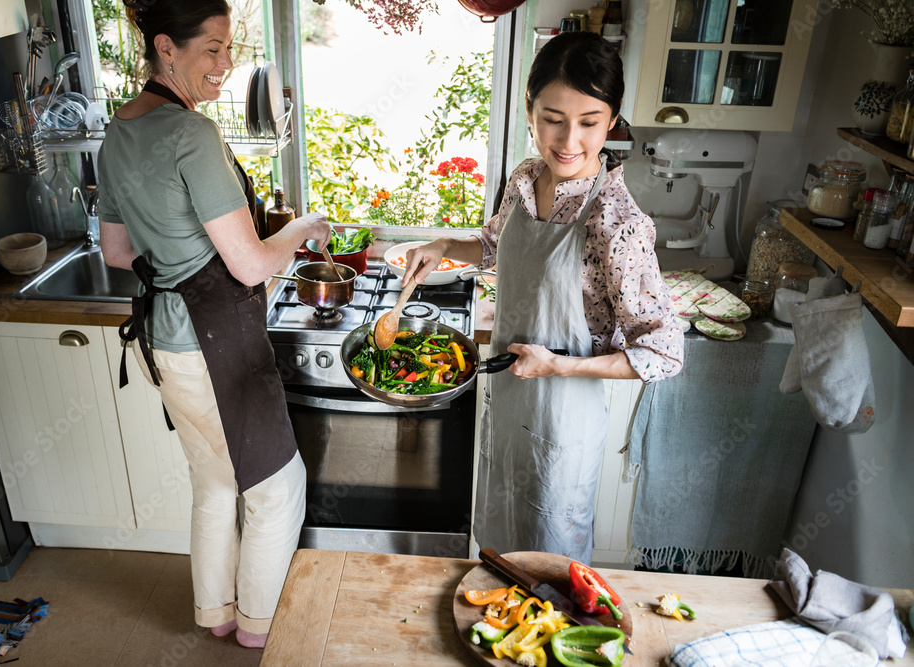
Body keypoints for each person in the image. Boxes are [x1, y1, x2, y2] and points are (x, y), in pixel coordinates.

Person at [97, 0, 332, 648]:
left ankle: (216, 614)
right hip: (215, 343)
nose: (228, 63)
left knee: (214, 482)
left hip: (164, 341)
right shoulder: (191, 135)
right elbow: (252, 266)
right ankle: (258, 628)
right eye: (213, 49)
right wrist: (300, 229)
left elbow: (117, 252)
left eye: (231, 47)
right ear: (166, 47)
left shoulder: (118, 131)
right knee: (278, 489)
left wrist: (176, 258)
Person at [402, 31, 684, 564]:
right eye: (553, 118)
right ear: (528, 110)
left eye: (590, 122)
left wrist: (557, 365)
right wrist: (442, 244)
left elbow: (665, 352)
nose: (569, 141)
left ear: (613, 118)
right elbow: (491, 245)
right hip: (510, 403)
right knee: (497, 553)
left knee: (549, 564)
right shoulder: (528, 177)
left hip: (563, 421)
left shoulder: (617, 223)